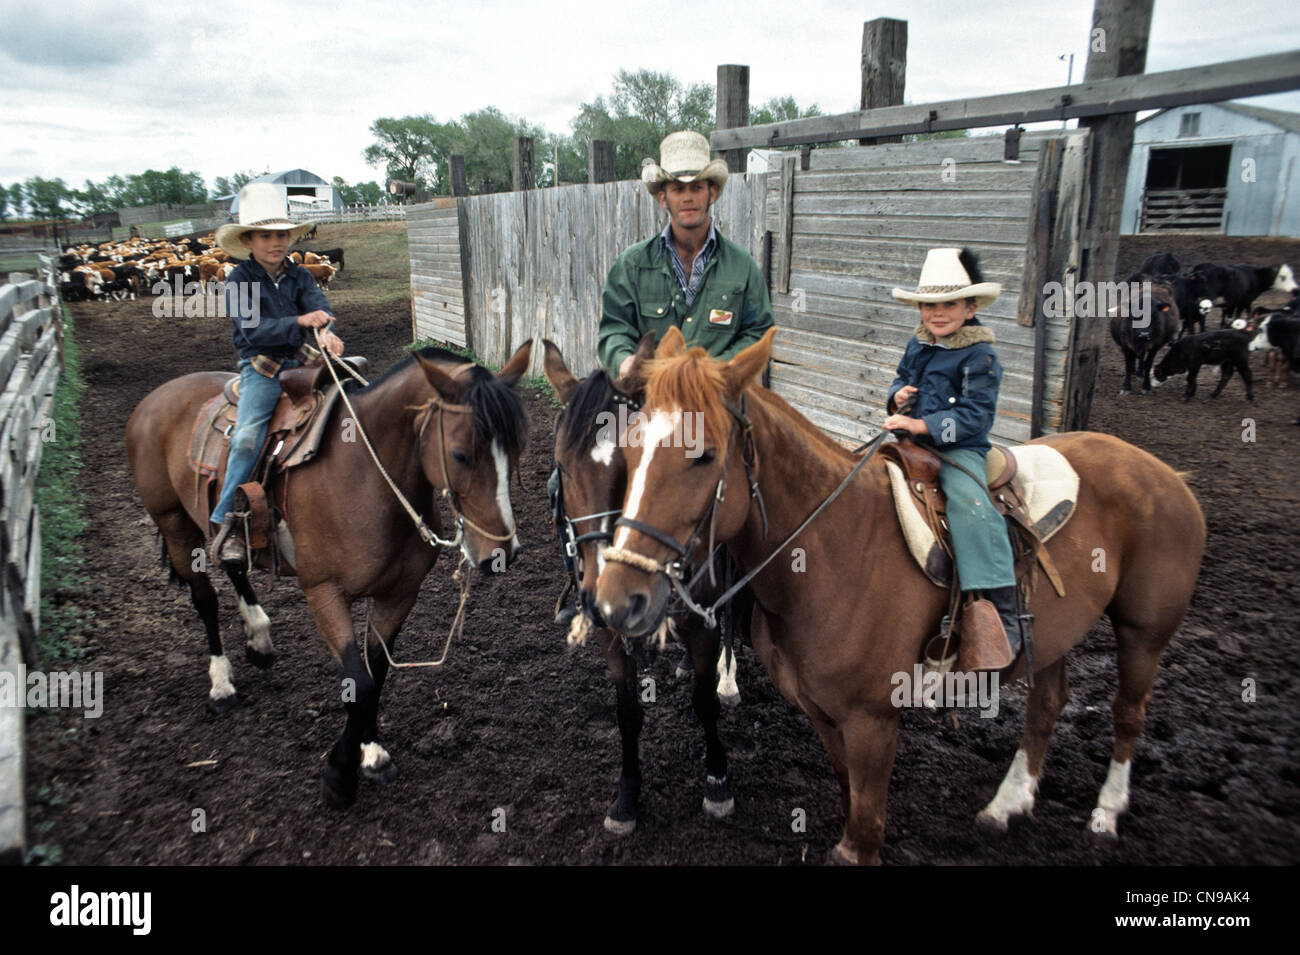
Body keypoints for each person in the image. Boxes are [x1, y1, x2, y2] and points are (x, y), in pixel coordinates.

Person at [884, 247, 1027, 670]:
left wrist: (921, 427)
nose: (938, 313)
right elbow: (899, 379)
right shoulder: (919, 343)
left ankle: (1001, 609)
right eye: (930, 304)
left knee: (968, 503)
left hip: (959, 448)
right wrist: (898, 396)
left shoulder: (979, 355)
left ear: (971, 307)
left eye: (949, 304)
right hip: (911, 444)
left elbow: (974, 417)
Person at [207, 182, 344, 567]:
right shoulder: (240, 280)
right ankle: (227, 522)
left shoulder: (300, 275)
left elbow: (320, 306)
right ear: (249, 240)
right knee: (249, 437)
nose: (276, 242)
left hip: (301, 364)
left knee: (353, 403)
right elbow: (253, 331)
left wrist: (326, 332)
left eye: (281, 234)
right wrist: (301, 320)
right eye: (266, 235)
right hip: (261, 370)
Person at [597, 130, 773, 379]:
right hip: (649, 397)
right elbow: (615, 328)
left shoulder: (741, 267)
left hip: (716, 399)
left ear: (711, 193)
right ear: (663, 199)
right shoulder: (631, 265)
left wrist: (716, 370)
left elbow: (758, 332)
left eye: (696, 187)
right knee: (598, 417)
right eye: (678, 189)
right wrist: (625, 362)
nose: (688, 197)